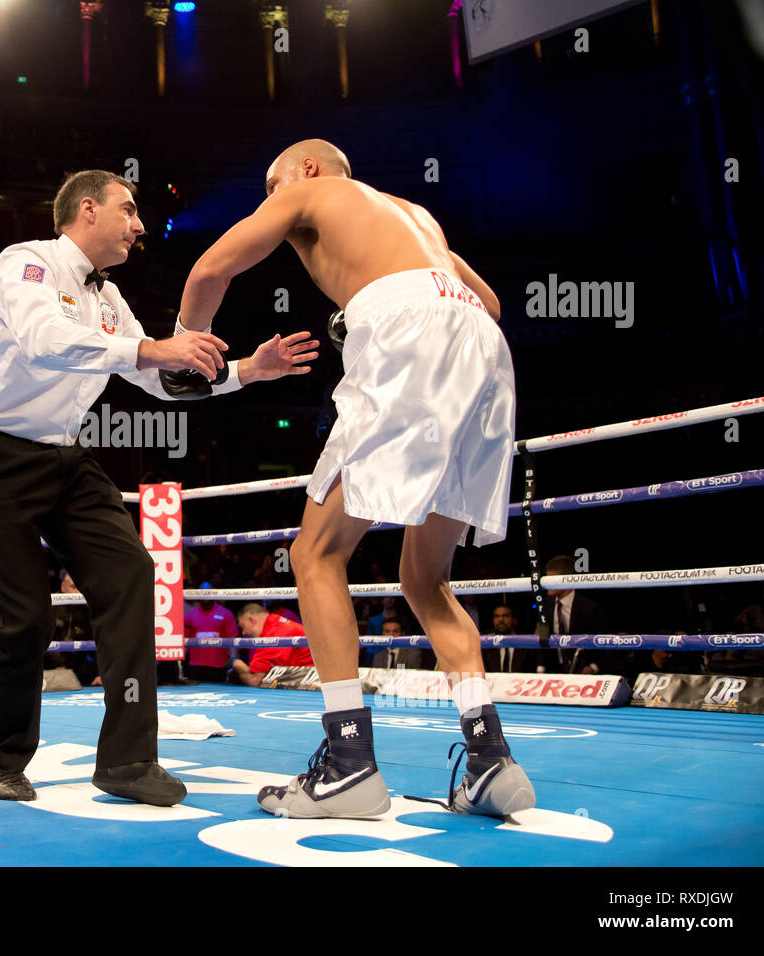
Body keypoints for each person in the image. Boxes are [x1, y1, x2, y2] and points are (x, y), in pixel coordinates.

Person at [177, 139, 532, 819]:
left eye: (272, 182)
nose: (270, 197)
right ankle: (490, 760)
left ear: (307, 170)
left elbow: (211, 267)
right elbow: (485, 302)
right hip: (485, 356)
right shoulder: (415, 215)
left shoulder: (311, 192)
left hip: (412, 332)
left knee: (315, 552)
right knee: (425, 581)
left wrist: (186, 345)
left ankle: (348, 763)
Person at [0, 168, 318, 806]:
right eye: (129, 210)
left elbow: (158, 377)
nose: (140, 226)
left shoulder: (108, 298)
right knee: (26, 612)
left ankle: (126, 762)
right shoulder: (25, 263)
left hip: (64, 457)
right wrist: (153, 351)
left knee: (130, 574)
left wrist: (248, 371)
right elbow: (44, 342)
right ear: (87, 210)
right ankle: (4, 759)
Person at [231, 603, 313, 686]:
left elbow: (254, 680)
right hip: (306, 679)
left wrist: (234, 662)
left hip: (309, 683)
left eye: (243, 627)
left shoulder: (275, 632)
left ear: (251, 620)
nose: (243, 633)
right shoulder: (276, 623)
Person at [184, 586, 239, 683]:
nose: (205, 596)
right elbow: (184, 641)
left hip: (219, 665)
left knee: (219, 694)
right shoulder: (190, 615)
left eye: (208, 592)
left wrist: (233, 663)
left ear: (213, 593)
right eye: (203, 593)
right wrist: (180, 663)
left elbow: (232, 639)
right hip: (196, 665)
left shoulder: (226, 614)